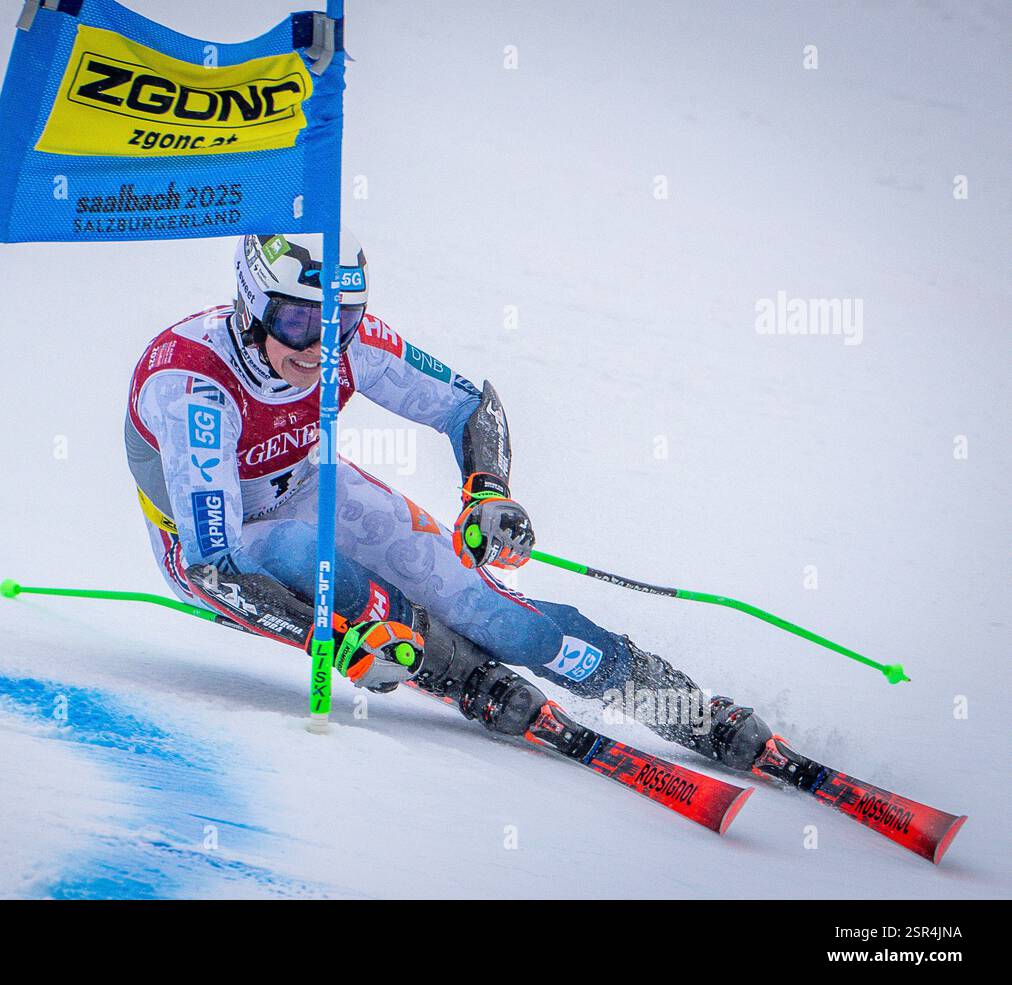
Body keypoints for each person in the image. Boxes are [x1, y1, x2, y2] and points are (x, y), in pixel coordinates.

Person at [125, 229, 773, 768]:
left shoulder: (352, 347)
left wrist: (487, 489)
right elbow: (216, 568)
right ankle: (450, 668)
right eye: (298, 321)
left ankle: (677, 705)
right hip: (214, 545)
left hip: (307, 486)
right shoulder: (193, 388)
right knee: (305, 556)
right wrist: (335, 642)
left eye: (339, 322)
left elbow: (469, 405)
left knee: (502, 618)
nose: (321, 348)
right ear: (250, 305)